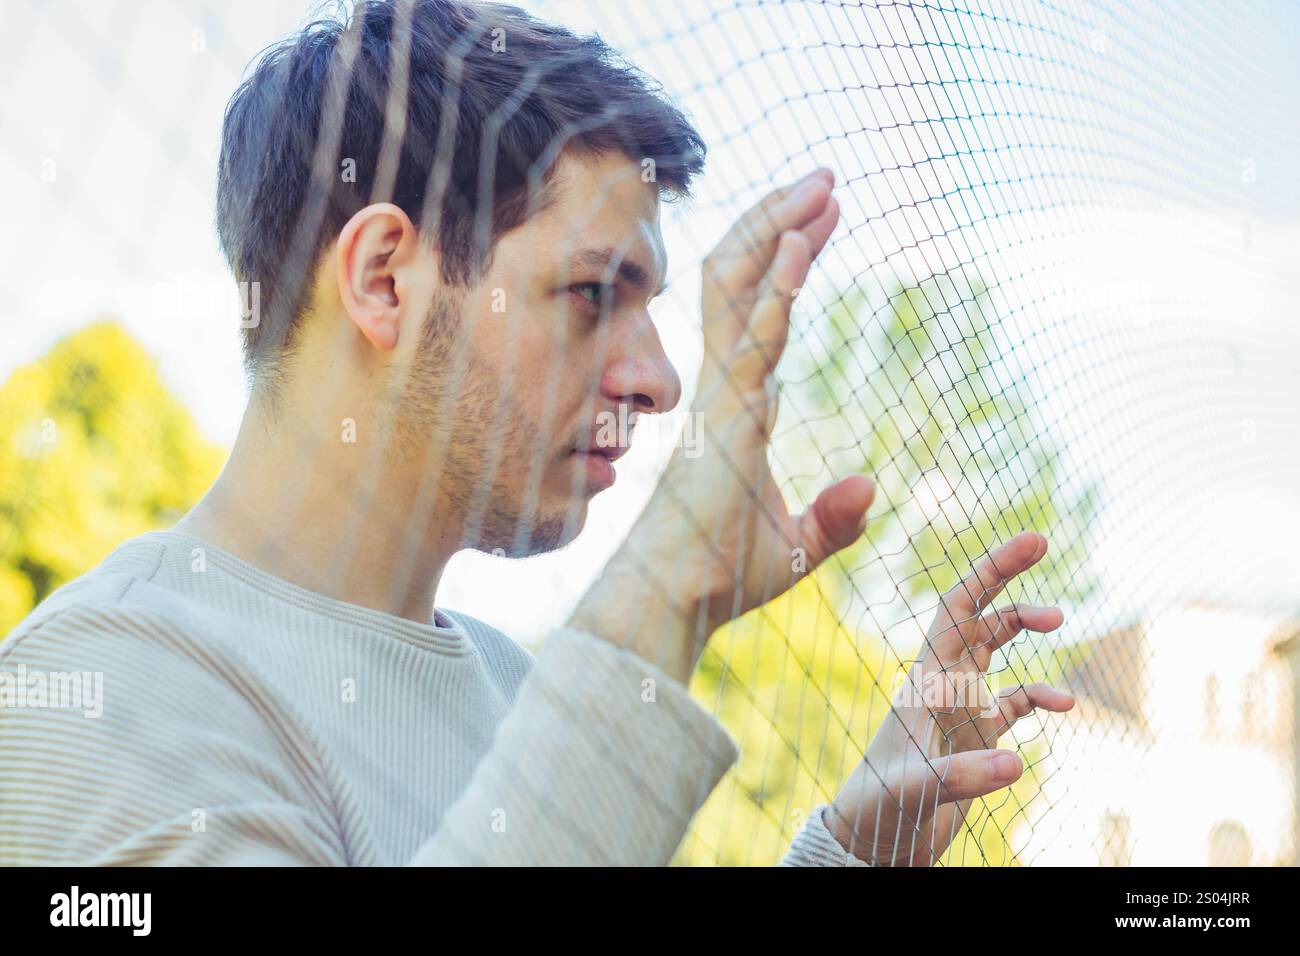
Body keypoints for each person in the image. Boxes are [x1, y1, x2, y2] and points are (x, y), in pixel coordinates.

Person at [0, 0, 1073, 866]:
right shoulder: (107, 689)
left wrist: (849, 857)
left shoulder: (514, 688)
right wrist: (662, 591)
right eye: (591, 292)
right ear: (385, 280)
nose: (656, 379)